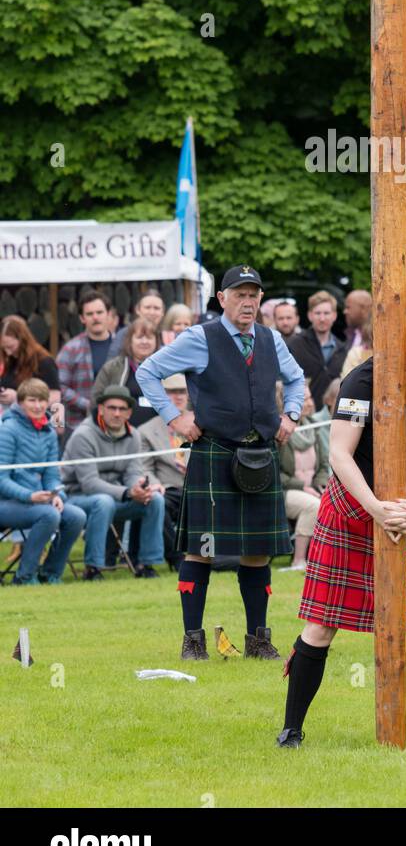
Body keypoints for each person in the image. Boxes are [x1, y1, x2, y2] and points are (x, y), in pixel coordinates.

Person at [277, 310, 406, 749]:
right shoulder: (363, 381)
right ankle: (291, 729)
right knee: (321, 624)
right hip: (353, 505)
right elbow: (341, 456)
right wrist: (375, 508)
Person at [135, 265, 305, 662]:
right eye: (239, 294)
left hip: (260, 456)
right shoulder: (200, 337)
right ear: (222, 299)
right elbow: (148, 371)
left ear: (261, 300)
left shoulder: (270, 339)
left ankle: (258, 640)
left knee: (258, 551)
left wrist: (291, 415)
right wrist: (174, 417)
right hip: (214, 453)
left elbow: (296, 380)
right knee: (201, 549)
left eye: (254, 295)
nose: (247, 302)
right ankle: (193, 641)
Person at [61, 386, 165, 580]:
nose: (117, 413)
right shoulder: (83, 435)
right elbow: (89, 484)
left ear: (129, 412)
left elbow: (133, 472)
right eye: (112, 408)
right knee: (103, 502)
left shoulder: (134, 435)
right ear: (101, 409)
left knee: (155, 498)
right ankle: (93, 568)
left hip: (115, 495)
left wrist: (139, 487)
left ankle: (146, 564)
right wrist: (127, 492)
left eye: (122, 409)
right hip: (75, 497)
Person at [0, 379, 86, 585]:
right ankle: (24, 576)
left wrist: (57, 495)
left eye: (42, 400)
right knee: (48, 515)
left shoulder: (48, 431)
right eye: (32, 400)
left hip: (38, 500)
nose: (38, 406)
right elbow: (1, 478)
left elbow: (51, 474)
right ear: (20, 402)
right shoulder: (7, 429)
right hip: (7, 502)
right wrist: (29, 496)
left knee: (76, 516)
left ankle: (50, 573)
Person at [135, 374, 192, 569]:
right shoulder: (147, 431)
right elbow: (144, 467)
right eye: (172, 392)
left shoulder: (203, 423)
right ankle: (177, 559)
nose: (178, 397)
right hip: (169, 488)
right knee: (159, 503)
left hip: (200, 487)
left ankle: (219, 555)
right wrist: (155, 484)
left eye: (182, 391)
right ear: (162, 396)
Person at [279, 384, 330, 572]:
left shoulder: (312, 427)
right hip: (284, 492)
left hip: (311, 489)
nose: (310, 403)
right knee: (313, 506)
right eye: (304, 399)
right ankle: (298, 561)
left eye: (309, 398)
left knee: (332, 503)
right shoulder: (280, 432)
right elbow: (276, 474)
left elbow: (324, 464)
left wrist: (320, 485)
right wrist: (302, 486)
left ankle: (325, 560)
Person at [57, 290, 114, 432]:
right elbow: (59, 386)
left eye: (99, 312)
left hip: (117, 423)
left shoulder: (121, 347)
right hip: (80, 425)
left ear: (108, 314)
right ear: (82, 318)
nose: (95, 317)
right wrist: (87, 404)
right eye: (90, 314)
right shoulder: (70, 349)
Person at [91, 319, 160, 426]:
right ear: (130, 341)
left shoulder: (167, 369)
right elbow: (96, 400)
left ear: (156, 341)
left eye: (149, 337)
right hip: (120, 433)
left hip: (157, 434)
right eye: (139, 337)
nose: (144, 341)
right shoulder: (112, 367)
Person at [288, 290, 347, 408]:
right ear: (310, 315)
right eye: (318, 313)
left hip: (332, 416)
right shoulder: (295, 344)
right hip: (303, 414)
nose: (322, 318)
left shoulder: (342, 350)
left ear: (334, 315)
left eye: (326, 313)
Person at [0, 315, 62, 414]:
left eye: (11, 347)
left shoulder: (44, 362)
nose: (8, 353)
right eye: (4, 348)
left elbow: (55, 398)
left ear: (22, 340)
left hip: (38, 423)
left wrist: (17, 398)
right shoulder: (11, 360)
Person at [108, 289, 165, 358]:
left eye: (156, 308)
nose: (152, 312)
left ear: (163, 312)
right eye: (147, 307)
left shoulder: (168, 337)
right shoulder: (125, 333)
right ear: (137, 310)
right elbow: (112, 362)